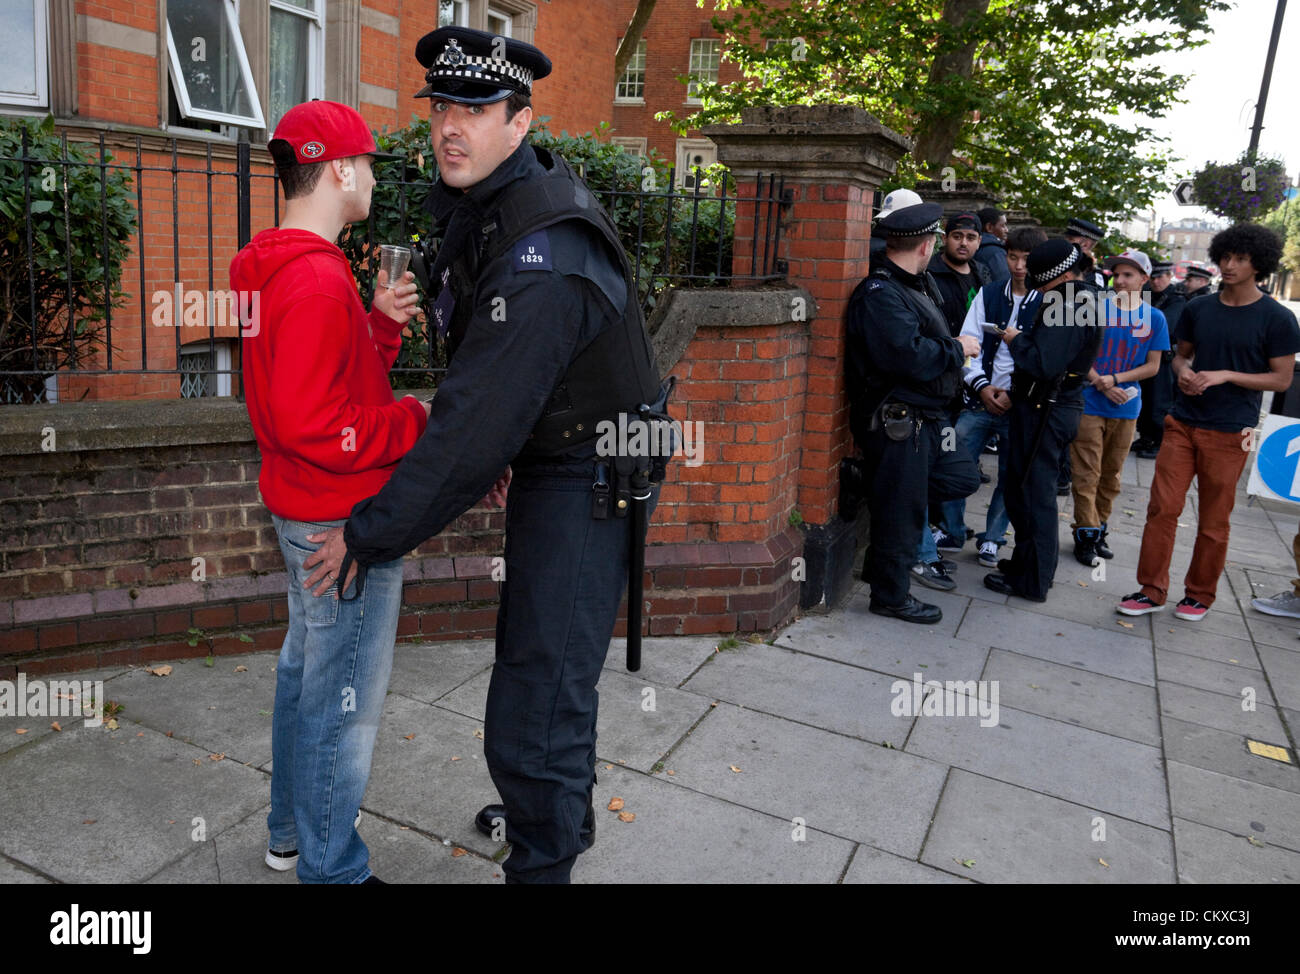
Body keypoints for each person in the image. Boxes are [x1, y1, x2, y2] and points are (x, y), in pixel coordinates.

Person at [300, 26, 667, 883]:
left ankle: (543, 855)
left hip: (591, 473)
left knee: (539, 691)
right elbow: (487, 379)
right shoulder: (495, 205)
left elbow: (468, 430)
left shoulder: (543, 253)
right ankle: (551, 813)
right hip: (561, 450)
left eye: (477, 109)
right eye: (442, 110)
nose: (450, 128)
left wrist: (367, 535)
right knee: (544, 664)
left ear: (521, 122)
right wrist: (508, 430)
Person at [229, 100, 428, 883]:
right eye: (370, 164)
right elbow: (318, 424)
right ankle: (333, 870)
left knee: (304, 677)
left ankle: (290, 838)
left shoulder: (277, 265)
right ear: (340, 169)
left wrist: (376, 328)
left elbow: (303, 395)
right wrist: (413, 422)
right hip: (335, 517)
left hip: (298, 506)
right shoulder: (314, 278)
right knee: (341, 705)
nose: (374, 178)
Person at [1118, 224, 1300, 621]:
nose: (1229, 265)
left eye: (1240, 259)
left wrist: (1225, 375)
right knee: (1162, 508)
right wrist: (1183, 371)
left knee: (1214, 521)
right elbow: (1181, 356)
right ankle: (1151, 590)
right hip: (1183, 422)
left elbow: (1282, 379)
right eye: (1225, 257)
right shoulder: (1198, 307)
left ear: (1259, 264)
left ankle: (1199, 595)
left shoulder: (1278, 318)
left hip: (1232, 430)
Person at [846, 197, 982, 623]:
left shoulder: (916, 284)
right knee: (902, 510)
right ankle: (890, 596)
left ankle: (882, 559)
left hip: (931, 418)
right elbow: (907, 356)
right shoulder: (881, 292)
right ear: (926, 245)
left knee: (959, 475)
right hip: (901, 421)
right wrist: (957, 350)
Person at [983, 238, 1101, 602]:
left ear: (1062, 275)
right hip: (1040, 406)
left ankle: (1032, 580)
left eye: (1044, 283)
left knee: (1035, 497)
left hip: (1047, 409)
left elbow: (1043, 364)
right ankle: (1026, 564)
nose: (1041, 288)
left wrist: (1016, 339)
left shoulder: (1070, 301)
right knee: (1023, 491)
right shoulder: (1073, 297)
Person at [935, 227, 1047, 568]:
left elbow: (1047, 357)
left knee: (1012, 474)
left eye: (1026, 260)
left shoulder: (1048, 301)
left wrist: (1013, 393)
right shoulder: (989, 293)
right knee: (951, 461)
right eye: (1012, 257)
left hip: (1021, 404)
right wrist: (983, 387)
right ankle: (952, 529)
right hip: (979, 399)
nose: (1018, 266)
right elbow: (968, 344)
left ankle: (993, 538)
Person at [1069, 250, 1168, 566]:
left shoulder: (1155, 318)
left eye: (1128, 275)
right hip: (1089, 402)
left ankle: (1100, 527)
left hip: (1126, 407)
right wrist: (1101, 381)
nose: (1120, 280)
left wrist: (1116, 380)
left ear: (1144, 279)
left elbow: (1153, 366)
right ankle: (1086, 534)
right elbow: (1077, 354)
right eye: (1116, 274)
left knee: (1111, 475)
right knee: (1086, 473)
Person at [1132, 260, 1185, 459]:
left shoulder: (1176, 299)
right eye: (1153, 277)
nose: (1156, 281)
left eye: (1160, 277)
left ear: (1169, 277)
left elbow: (1164, 325)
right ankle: (1146, 436)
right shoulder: (1145, 294)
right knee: (1144, 400)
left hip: (1163, 359)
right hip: (1143, 355)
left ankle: (1160, 441)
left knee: (1159, 402)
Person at [973, 206, 1010, 281]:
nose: (1007, 230)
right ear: (989, 227)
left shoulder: (971, 247)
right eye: (1003, 225)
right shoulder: (996, 252)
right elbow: (1004, 282)